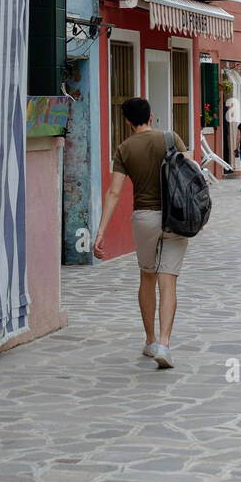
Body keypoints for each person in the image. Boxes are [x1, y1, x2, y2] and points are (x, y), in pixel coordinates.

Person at [93, 97, 195, 370]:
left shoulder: (124, 149)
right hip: (175, 218)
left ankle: (150, 340)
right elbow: (191, 172)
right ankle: (164, 343)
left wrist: (101, 231)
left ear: (127, 121)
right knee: (169, 281)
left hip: (144, 218)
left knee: (147, 277)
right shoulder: (171, 138)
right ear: (151, 116)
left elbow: (114, 192)